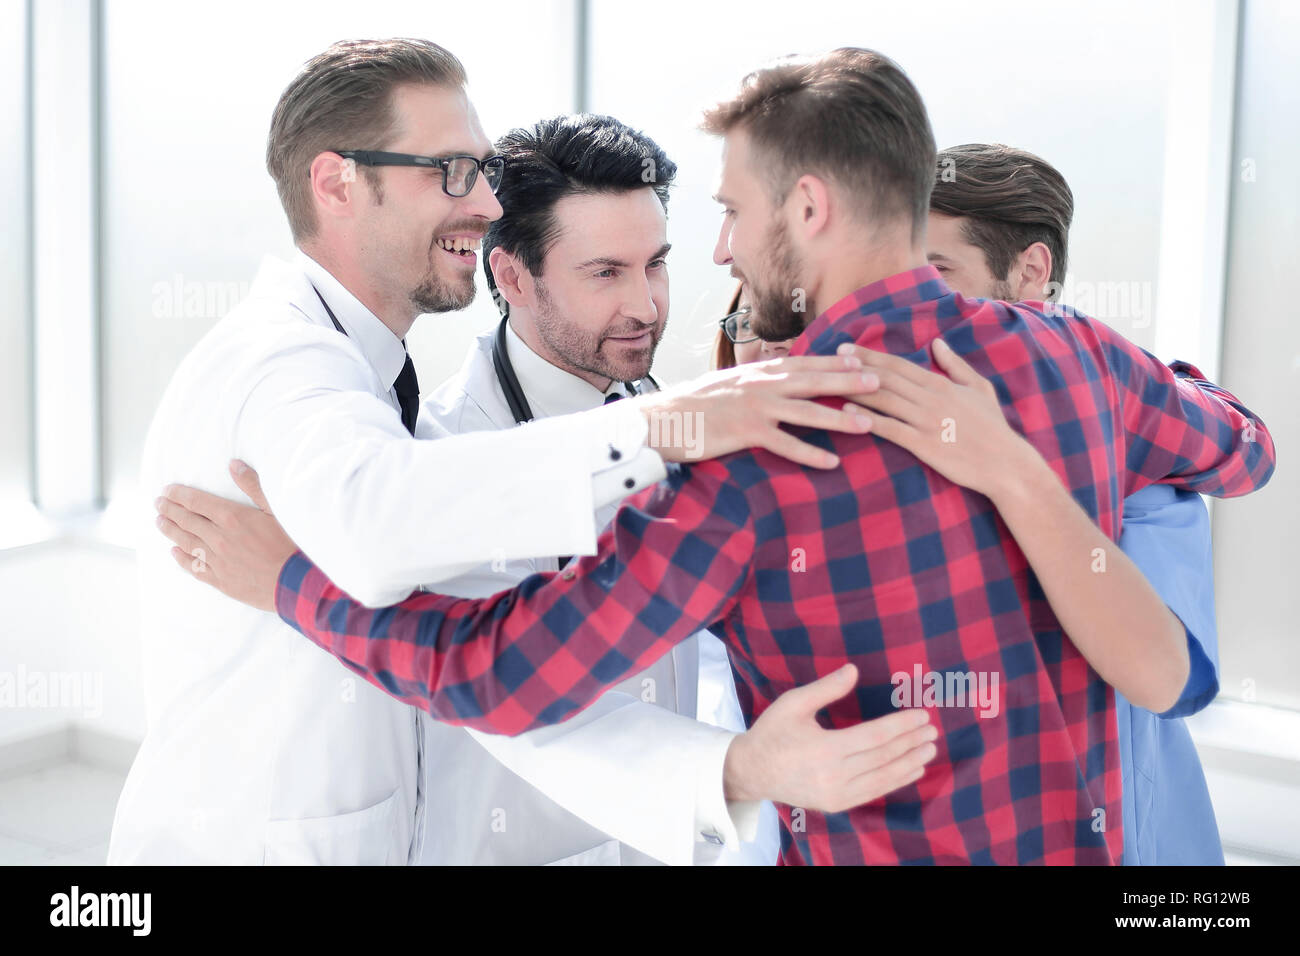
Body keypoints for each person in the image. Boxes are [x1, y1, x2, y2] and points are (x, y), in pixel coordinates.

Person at [156, 48, 1275, 864]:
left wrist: (295, 588)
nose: (711, 262)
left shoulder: (750, 456)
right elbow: (1243, 449)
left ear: (810, 203)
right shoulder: (1078, 352)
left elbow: (492, 672)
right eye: (609, 272)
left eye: (719, 220)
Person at [107, 39, 908, 866]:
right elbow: (485, 663)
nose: (484, 200)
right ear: (337, 182)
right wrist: (673, 427)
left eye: (657, 265)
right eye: (451, 171)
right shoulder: (298, 372)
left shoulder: (380, 384)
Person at [408, 112, 791, 865]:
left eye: (656, 264)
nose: (647, 307)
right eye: (606, 273)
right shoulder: (445, 458)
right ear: (512, 275)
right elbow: (514, 695)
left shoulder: (661, 410)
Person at [925, 142, 1223, 864]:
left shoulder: (1138, 459)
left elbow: (1163, 679)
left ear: (1030, 273)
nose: (913, 311)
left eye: (937, 276)